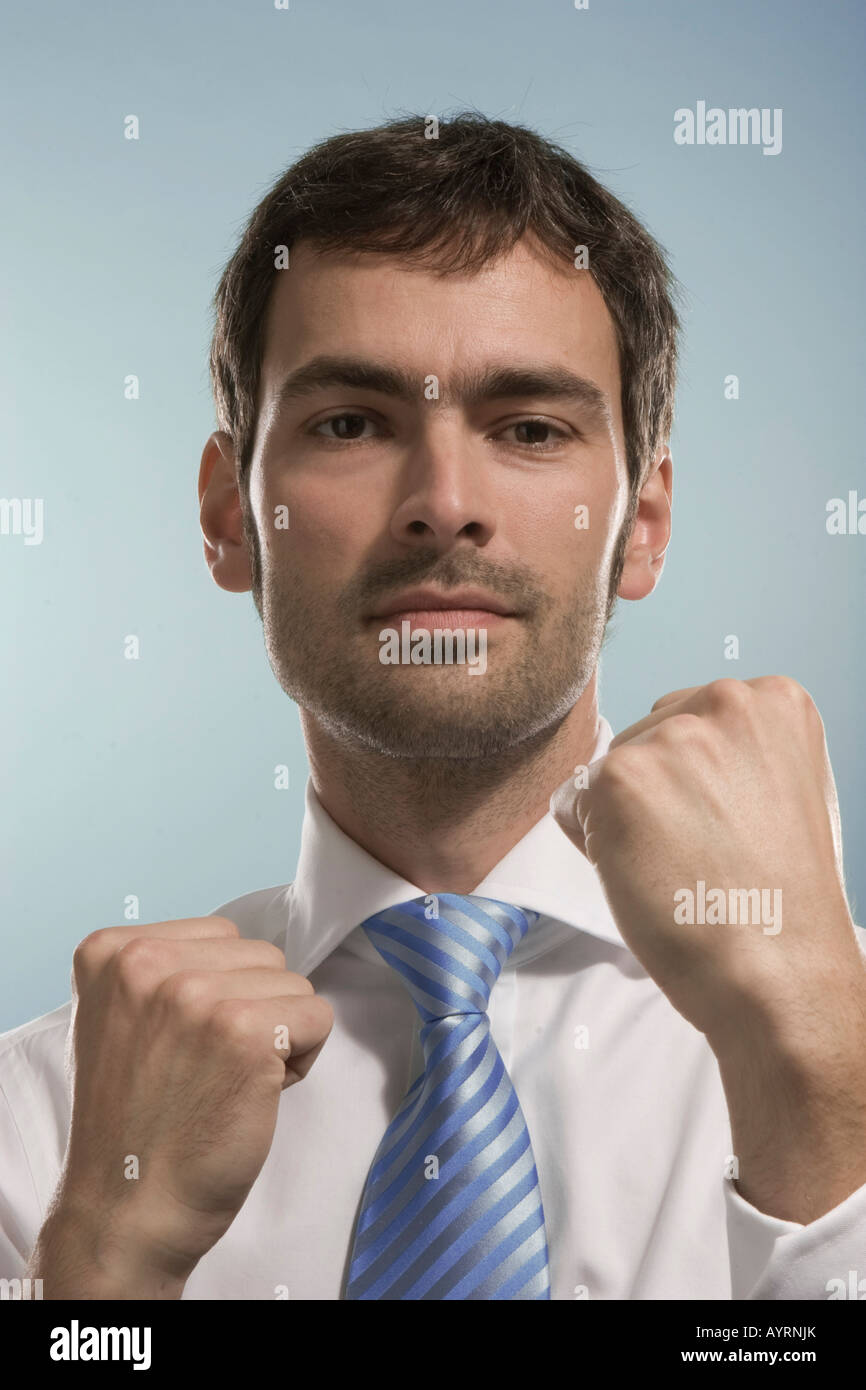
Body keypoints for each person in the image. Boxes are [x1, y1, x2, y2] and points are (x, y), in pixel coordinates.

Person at [2, 112, 865, 1302]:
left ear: (641, 524)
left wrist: (820, 1081)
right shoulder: (43, 1134)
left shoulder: (845, 1036)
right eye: (350, 424)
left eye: (527, 428)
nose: (443, 503)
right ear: (227, 515)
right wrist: (105, 1268)